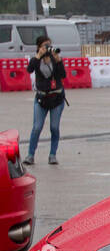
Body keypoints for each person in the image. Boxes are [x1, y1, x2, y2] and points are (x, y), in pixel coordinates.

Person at [26, 35, 67, 165]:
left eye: (49, 45)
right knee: (37, 127)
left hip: (56, 98)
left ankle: (52, 155)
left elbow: (63, 75)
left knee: (54, 127)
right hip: (41, 99)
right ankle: (30, 155)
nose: (47, 48)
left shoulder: (55, 60)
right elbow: (29, 70)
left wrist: (58, 60)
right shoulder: (36, 60)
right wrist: (39, 56)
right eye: (45, 45)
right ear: (39, 47)